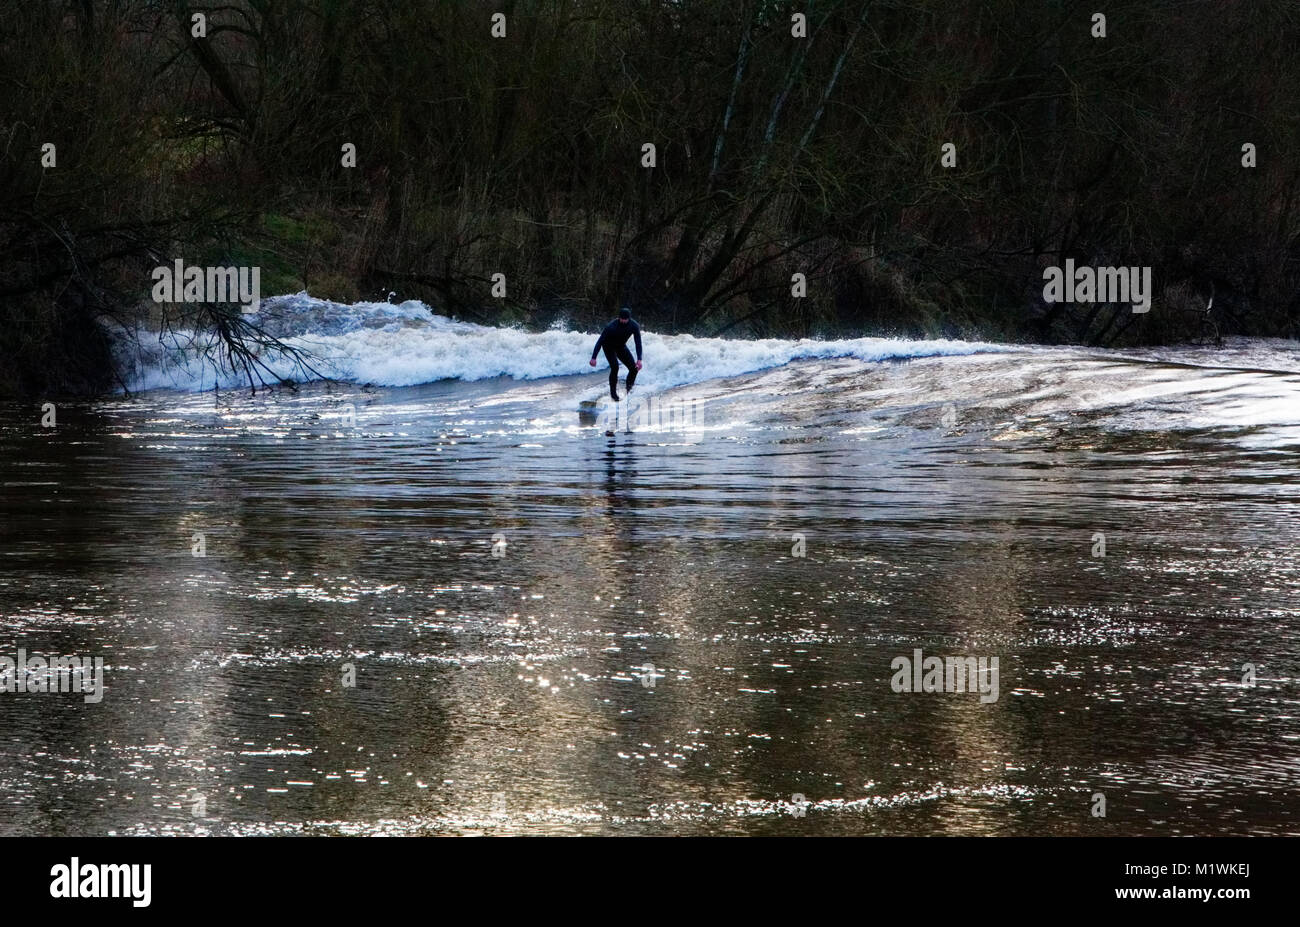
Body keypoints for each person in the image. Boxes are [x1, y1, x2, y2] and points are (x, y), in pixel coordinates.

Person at [589, 308, 643, 401]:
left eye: (625, 319)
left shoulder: (634, 326)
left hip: (621, 346)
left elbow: (638, 342)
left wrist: (639, 359)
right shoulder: (611, 327)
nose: (623, 320)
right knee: (615, 367)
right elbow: (600, 341)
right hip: (608, 347)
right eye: (621, 319)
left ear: (629, 319)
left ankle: (629, 391)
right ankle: (613, 394)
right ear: (619, 318)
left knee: (634, 369)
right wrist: (594, 358)